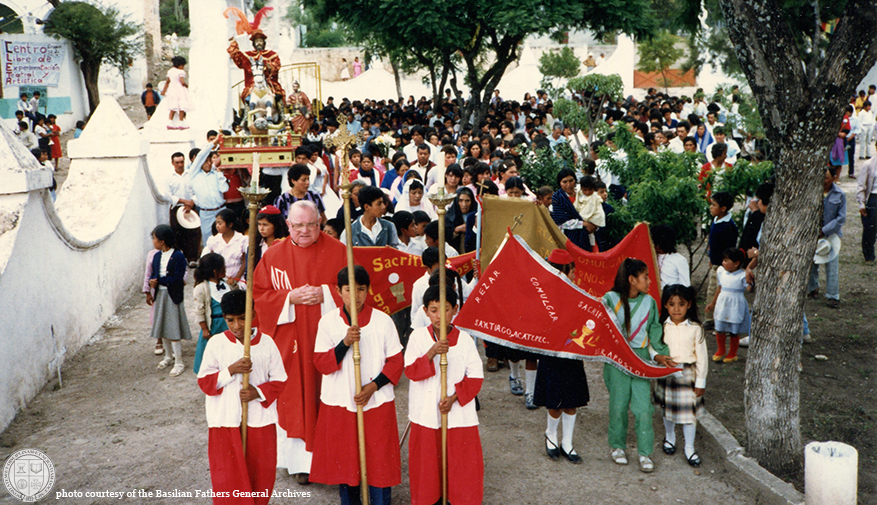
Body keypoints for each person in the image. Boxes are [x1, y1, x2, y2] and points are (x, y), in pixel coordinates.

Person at [252, 201, 347, 484]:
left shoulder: (339, 251)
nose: (305, 231)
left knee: (330, 392)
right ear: (288, 225)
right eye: (298, 225)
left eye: (311, 224)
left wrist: (327, 294)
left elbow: (356, 288)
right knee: (295, 396)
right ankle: (301, 464)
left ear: (320, 223)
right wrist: (289, 298)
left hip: (329, 340)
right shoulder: (272, 256)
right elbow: (259, 296)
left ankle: (333, 459)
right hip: (290, 343)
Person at [310, 266, 403, 504]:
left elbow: (395, 361)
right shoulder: (328, 322)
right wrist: (344, 343)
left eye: (361, 290)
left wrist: (374, 386)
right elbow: (322, 363)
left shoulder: (383, 321)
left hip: (376, 401)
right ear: (339, 291)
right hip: (341, 402)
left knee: (379, 461)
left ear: (368, 290)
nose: (356, 296)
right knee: (347, 464)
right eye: (349, 290)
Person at [197, 289, 287, 505]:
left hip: (259, 421)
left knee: (260, 476)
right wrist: (230, 370)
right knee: (227, 480)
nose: (237, 326)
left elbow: (280, 379)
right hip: (225, 421)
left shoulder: (267, 344)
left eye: (242, 319)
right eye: (230, 320)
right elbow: (205, 382)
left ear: (253, 315)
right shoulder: (217, 344)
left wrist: (258, 392)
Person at [404, 284, 483, 505]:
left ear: (455, 309)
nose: (440, 315)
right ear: (425, 311)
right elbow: (410, 370)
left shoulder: (465, 340)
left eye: (445, 308)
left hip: (457, 414)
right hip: (426, 411)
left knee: (460, 463)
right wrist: (431, 352)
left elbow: (475, 376)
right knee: (428, 463)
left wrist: (454, 398)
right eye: (433, 309)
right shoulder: (418, 337)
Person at [602, 259, 675, 473]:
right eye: (645, 277)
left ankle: (645, 453)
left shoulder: (650, 302)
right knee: (618, 404)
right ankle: (617, 447)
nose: (650, 281)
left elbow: (654, 331)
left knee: (644, 409)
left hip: (641, 359)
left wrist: (660, 355)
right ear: (632, 280)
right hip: (617, 360)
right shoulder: (609, 299)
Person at [535, 250, 589, 464]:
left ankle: (567, 441)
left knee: (572, 399)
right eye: (572, 271)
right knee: (555, 399)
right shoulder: (544, 293)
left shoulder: (576, 292)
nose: (574, 275)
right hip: (552, 353)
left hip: (571, 352)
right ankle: (550, 434)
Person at [654, 284, 707, 467]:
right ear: (665, 305)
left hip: (687, 374)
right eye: (671, 304)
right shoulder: (661, 326)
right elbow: (653, 346)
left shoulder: (695, 328)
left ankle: (690, 448)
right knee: (667, 409)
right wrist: (658, 357)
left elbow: (702, 357)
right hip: (667, 372)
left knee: (688, 414)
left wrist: (701, 381)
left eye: (681, 304)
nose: (676, 309)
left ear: (689, 304)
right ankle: (670, 437)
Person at [148, 225, 193, 377]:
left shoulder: (178, 256)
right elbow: (154, 273)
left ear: (162, 241)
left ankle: (179, 361)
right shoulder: (156, 256)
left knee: (173, 327)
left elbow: (177, 278)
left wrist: (159, 280)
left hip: (172, 295)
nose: (153, 241)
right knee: (163, 326)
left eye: (154, 238)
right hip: (160, 294)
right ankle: (168, 356)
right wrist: (152, 284)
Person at [806, 166, 846, 308]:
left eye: (827, 178)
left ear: (834, 178)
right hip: (813, 234)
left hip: (831, 235)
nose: (824, 181)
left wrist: (824, 230)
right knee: (811, 263)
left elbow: (841, 219)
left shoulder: (840, 194)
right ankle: (812, 288)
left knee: (832, 265)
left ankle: (833, 295)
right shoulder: (812, 192)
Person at [705, 248, 750, 363]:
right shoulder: (720, 271)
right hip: (722, 303)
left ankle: (733, 353)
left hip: (736, 304)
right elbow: (719, 288)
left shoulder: (742, 275)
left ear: (736, 263)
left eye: (726, 260)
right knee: (719, 327)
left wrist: (750, 279)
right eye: (723, 260)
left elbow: (749, 288)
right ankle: (721, 350)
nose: (723, 263)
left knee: (734, 331)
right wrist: (712, 303)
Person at [186, 136, 229, 247]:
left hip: (220, 210)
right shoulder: (194, 174)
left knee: (224, 240)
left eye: (209, 161)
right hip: (206, 213)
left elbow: (224, 189)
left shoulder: (216, 174)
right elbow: (200, 156)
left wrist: (220, 174)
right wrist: (213, 143)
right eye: (205, 161)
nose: (208, 163)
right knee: (208, 241)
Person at [192, 253, 231, 375]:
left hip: (227, 325)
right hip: (213, 326)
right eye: (223, 268)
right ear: (215, 271)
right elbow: (200, 310)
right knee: (212, 353)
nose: (225, 270)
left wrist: (234, 285)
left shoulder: (227, 284)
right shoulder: (202, 288)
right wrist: (204, 329)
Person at [704, 192, 738, 328]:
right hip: (716, 262)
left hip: (722, 265)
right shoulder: (717, 220)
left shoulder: (728, 226)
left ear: (723, 208)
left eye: (714, 205)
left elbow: (729, 247)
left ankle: (714, 319)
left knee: (718, 290)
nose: (711, 208)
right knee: (712, 289)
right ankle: (710, 317)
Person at [228, 26, 285, 106]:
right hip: (252, 84)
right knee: (247, 98)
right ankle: (246, 114)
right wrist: (233, 42)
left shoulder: (272, 54)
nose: (259, 43)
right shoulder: (248, 56)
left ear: (264, 42)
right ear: (254, 43)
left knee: (278, 96)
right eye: (257, 41)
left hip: (269, 82)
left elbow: (277, 65)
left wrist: (270, 66)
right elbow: (237, 57)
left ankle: (281, 112)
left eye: (260, 41)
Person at [201, 209, 247, 289]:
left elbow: (244, 261)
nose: (217, 226)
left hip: (237, 277)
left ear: (230, 224)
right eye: (216, 223)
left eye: (220, 223)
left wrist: (236, 279)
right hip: (219, 278)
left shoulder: (242, 239)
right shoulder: (214, 240)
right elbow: (212, 262)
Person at [551, 168, 595, 250]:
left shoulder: (583, 193)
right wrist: (583, 224)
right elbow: (561, 221)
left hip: (589, 233)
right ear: (559, 183)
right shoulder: (558, 198)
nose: (568, 185)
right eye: (564, 182)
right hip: (570, 236)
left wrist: (594, 224)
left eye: (571, 180)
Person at [574, 175, 605, 251]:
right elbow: (576, 206)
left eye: (590, 190)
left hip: (591, 219)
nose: (587, 192)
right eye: (585, 190)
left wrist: (583, 219)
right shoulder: (579, 195)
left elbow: (590, 210)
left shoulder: (594, 197)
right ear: (581, 188)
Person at [253, 205, 289, 270]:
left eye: (265, 225)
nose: (261, 228)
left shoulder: (285, 243)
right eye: (259, 224)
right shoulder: (256, 245)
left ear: (276, 225)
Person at [856, 156, 877, 264]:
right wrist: (861, 203)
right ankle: (869, 255)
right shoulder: (868, 164)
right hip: (873, 198)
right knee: (870, 229)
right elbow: (861, 185)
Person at [161, 56, 192, 130]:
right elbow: (182, 82)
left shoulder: (170, 71)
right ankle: (181, 123)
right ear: (179, 65)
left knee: (173, 107)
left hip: (172, 90)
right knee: (182, 106)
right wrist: (187, 86)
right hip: (180, 90)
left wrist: (164, 91)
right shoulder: (180, 72)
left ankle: (170, 122)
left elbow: (167, 82)